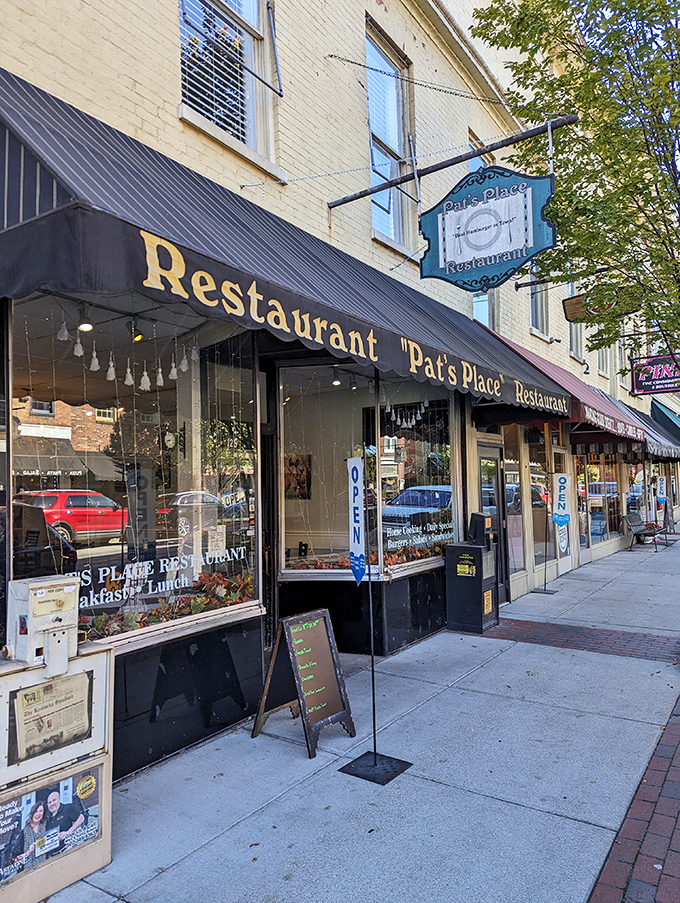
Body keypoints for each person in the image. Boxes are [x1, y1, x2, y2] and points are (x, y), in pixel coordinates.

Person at [45, 789, 84, 856]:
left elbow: (81, 818)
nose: (52, 804)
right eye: (49, 802)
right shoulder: (47, 818)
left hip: (68, 850)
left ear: (59, 799)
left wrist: (68, 832)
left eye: (54, 800)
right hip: (53, 856)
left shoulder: (68, 808)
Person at [17, 801, 46, 871]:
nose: (38, 814)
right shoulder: (24, 833)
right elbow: (16, 859)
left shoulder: (45, 828)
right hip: (28, 870)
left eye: (41, 811)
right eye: (36, 811)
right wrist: (28, 852)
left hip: (44, 866)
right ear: (32, 813)